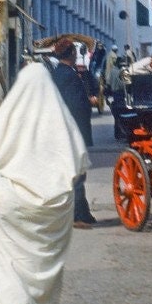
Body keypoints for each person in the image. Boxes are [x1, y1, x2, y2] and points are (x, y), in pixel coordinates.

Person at [0, 61, 90, 304]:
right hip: (53, 203)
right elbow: (78, 163)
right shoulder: (58, 116)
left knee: (9, 262)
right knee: (47, 265)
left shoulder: (10, 113)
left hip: (9, 198)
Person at [48, 37, 96, 226]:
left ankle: (82, 212)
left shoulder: (58, 73)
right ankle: (77, 215)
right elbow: (76, 106)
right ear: (70, 54)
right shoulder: (68, 75)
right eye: (74, 52)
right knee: (77, 172)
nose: (77, 54)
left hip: (63, 129)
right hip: (73, 130)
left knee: (75, 172)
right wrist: (89, 103)